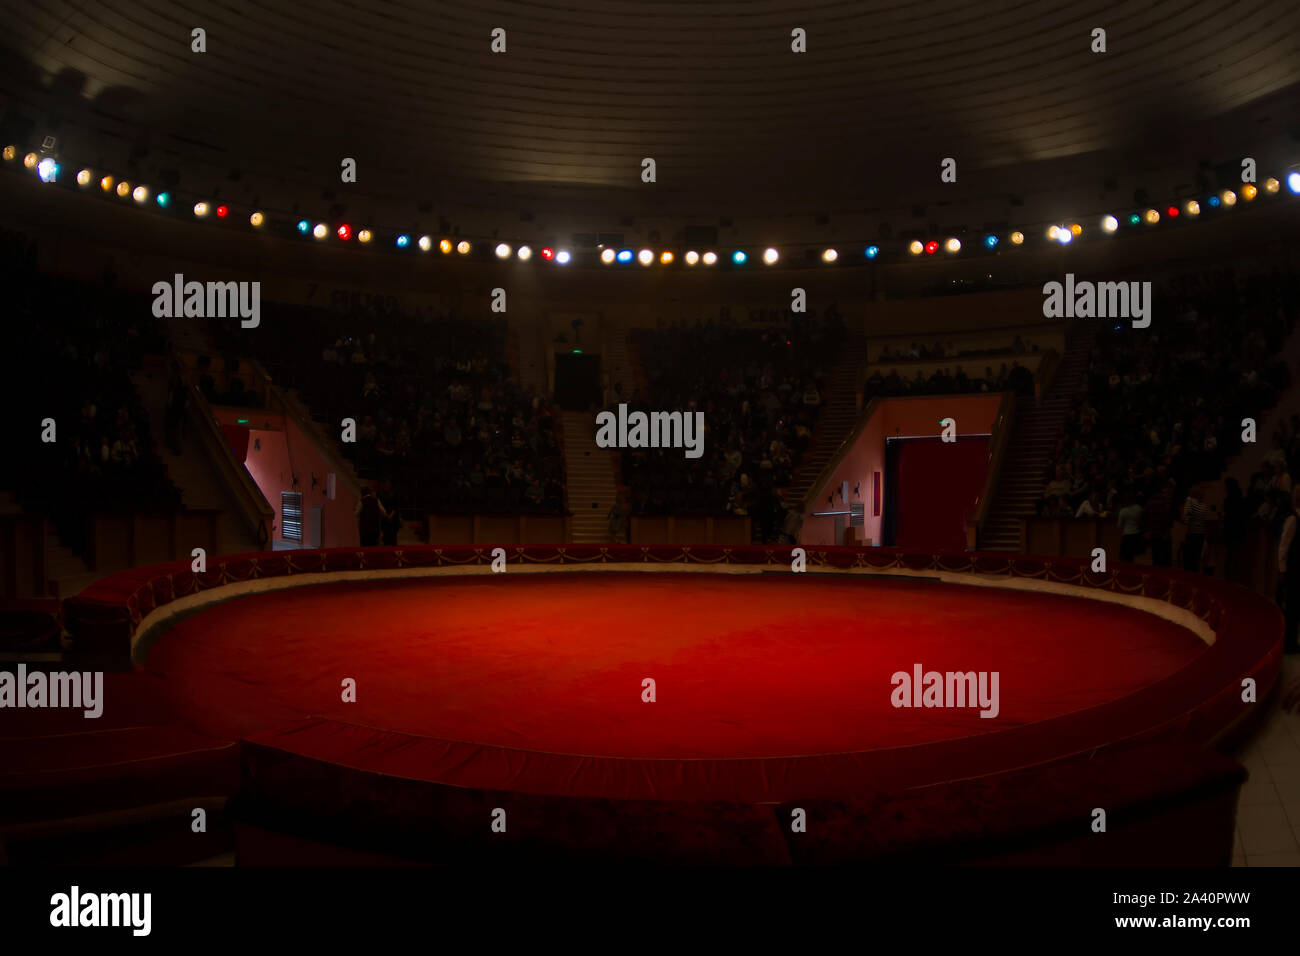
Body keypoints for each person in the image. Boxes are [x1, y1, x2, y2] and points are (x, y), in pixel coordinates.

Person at [1276, 485, 1300, 654]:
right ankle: (1289, 642)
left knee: (1295, 607)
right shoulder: (1293, 519)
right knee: (1292, 607)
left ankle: (1292, 640)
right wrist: (1282, 569)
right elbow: (1283, 546)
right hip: (1294, 569)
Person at [1181, 483, 1208, 573]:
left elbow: (1185, 518)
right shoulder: (1203, 504)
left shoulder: (1190, 500)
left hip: (1191, 533)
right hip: (1201, 534)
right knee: (1195, 560)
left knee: (1188, 560)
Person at [1117, 494, 1144, 562]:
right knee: (1136, 556)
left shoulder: (1123, 511)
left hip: (1127, 535)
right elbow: (1142, 520)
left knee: (1126, 557)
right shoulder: (1139, 508)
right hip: (1137, 534)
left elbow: (1119, 525)